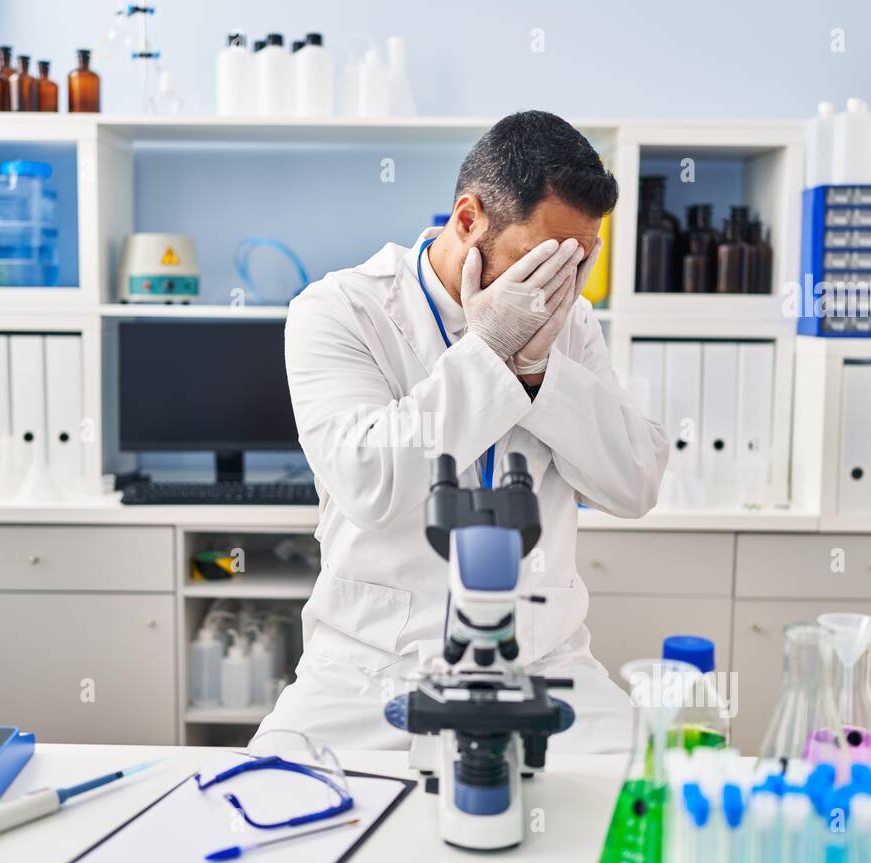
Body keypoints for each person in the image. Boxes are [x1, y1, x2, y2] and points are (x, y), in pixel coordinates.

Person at [254, 110, 669, 752]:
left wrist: (539, 371)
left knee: (644, 821)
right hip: (371, 670)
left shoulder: (572, 322)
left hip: (547, 669)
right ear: (469, 219)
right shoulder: (339, 311)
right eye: (541, 259)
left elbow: (634, 483)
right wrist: (490, 349)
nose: (560, 285)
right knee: (276, 818)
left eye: (578, 262)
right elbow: (371, 481)